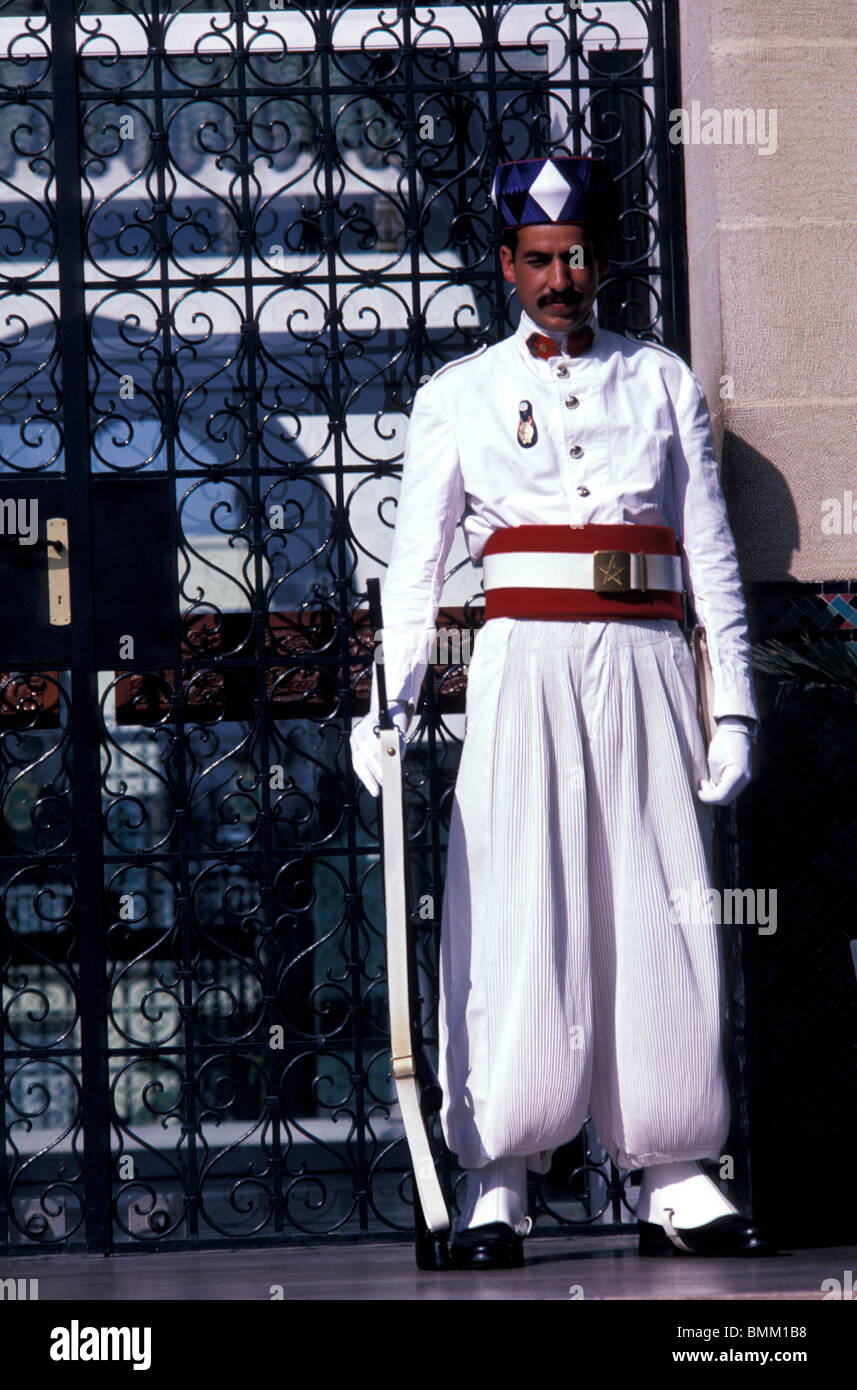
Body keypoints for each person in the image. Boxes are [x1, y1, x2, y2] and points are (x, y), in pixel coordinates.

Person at [351, 155, 773, 1268]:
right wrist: (388, 702)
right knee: (515, 905)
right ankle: (497, 1174)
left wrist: (731, 706)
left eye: (575, 257)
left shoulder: (660, 381)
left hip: (644, 659)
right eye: (538, 260)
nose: (559, 279)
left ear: (599, 261)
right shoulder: (457, 394)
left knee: (656, 900)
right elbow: (415, 568)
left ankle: (672, 1171)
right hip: (521, 664)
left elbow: (711, 555)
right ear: (507, 265)